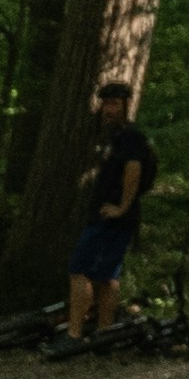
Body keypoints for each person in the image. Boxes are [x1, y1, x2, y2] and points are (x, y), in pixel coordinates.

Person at [64, 80, 154, 342]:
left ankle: (74, 334)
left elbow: (133, 170)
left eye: (114, 103)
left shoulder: (130, 137)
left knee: (79, 270)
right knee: (106, 277)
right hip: (111, 217)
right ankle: (105, 334)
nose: (107, 109)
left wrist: (122, 207)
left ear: (127, 105)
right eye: (105, 103)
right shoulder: (115, 137)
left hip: (111, 217)